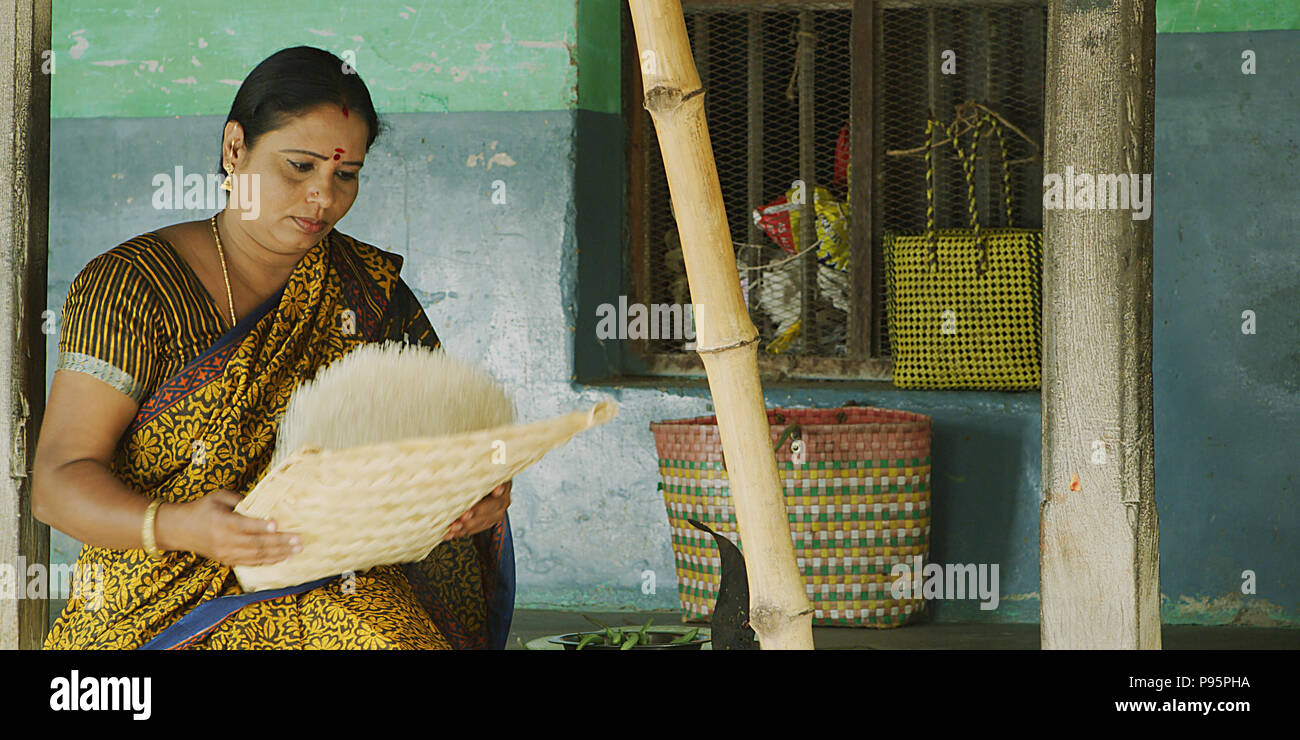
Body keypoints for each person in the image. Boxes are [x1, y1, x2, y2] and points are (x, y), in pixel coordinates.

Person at [32, 46, 514, 649]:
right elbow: (57, 484)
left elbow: (445, 443)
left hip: (333, 580)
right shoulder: (134, 286)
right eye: (299, 166)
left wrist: (476, 490)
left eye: (346, 174)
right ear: (236, 148)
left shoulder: (367, 290)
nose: (323, 198)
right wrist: (181, 525)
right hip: (156, 598)